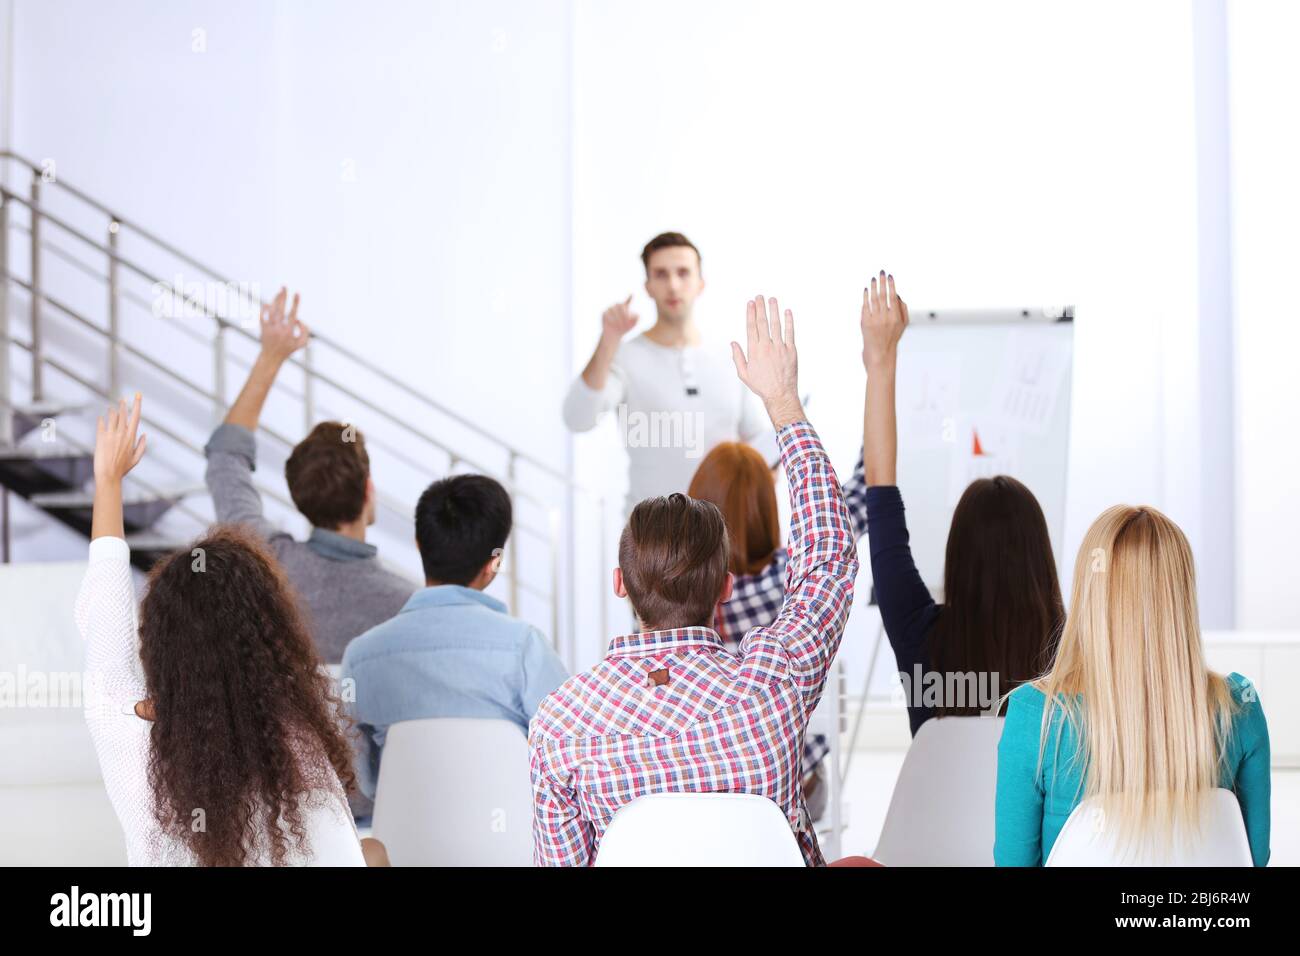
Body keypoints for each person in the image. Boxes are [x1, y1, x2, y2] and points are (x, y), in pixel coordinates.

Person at [531, 292, 859, 867]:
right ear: (723, 586)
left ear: (620, 584)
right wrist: (783, 402)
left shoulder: (561, 724)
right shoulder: (772, 685)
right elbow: (829, 558)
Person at [77, 394, 385, 866]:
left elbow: (107, 622)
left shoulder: (130, 737)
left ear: (158, 642)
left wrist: (108, 484)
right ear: (271, 636)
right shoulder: (298, 749)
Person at [995, 505, 1271, 866]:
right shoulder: (1240, 708)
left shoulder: (1036, 715)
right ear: (1181, 597)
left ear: (1088, 594)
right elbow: (1253, 858)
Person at [862, 272, 1064, 734]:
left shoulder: (920, 633)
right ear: (1040, 559)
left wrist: (881, 363)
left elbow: (880, 493)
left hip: (937, 810)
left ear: (958, 555)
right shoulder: (1073, 654)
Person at [203, 287, 417, 663]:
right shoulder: (407, 607)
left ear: (302, 496)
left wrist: (271, 356)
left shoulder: (266, 563)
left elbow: (225, 457)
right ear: (368, 491)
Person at [341, 473, 569, 801]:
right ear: (495, 563)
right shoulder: (524, 648)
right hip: (510, 846)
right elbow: (568, 752)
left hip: (400, 845)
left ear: (419, 543)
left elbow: (361, 777)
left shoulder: (360, 657)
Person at [686, 438, 868, 819]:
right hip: (794, 796)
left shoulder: (677, 596)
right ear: (765, 511)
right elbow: (858, 495)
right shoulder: (795, 576)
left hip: (707, 794)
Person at [562, 232, 769, 515]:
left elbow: (755, 439)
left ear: (700, 283)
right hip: (651, 537)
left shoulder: (727, 356)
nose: (673, 285)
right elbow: (578, 418)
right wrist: (608, 340)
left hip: (725, 530)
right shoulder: (624, 356)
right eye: (661, 274)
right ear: (647, 286)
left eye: (683, 273)